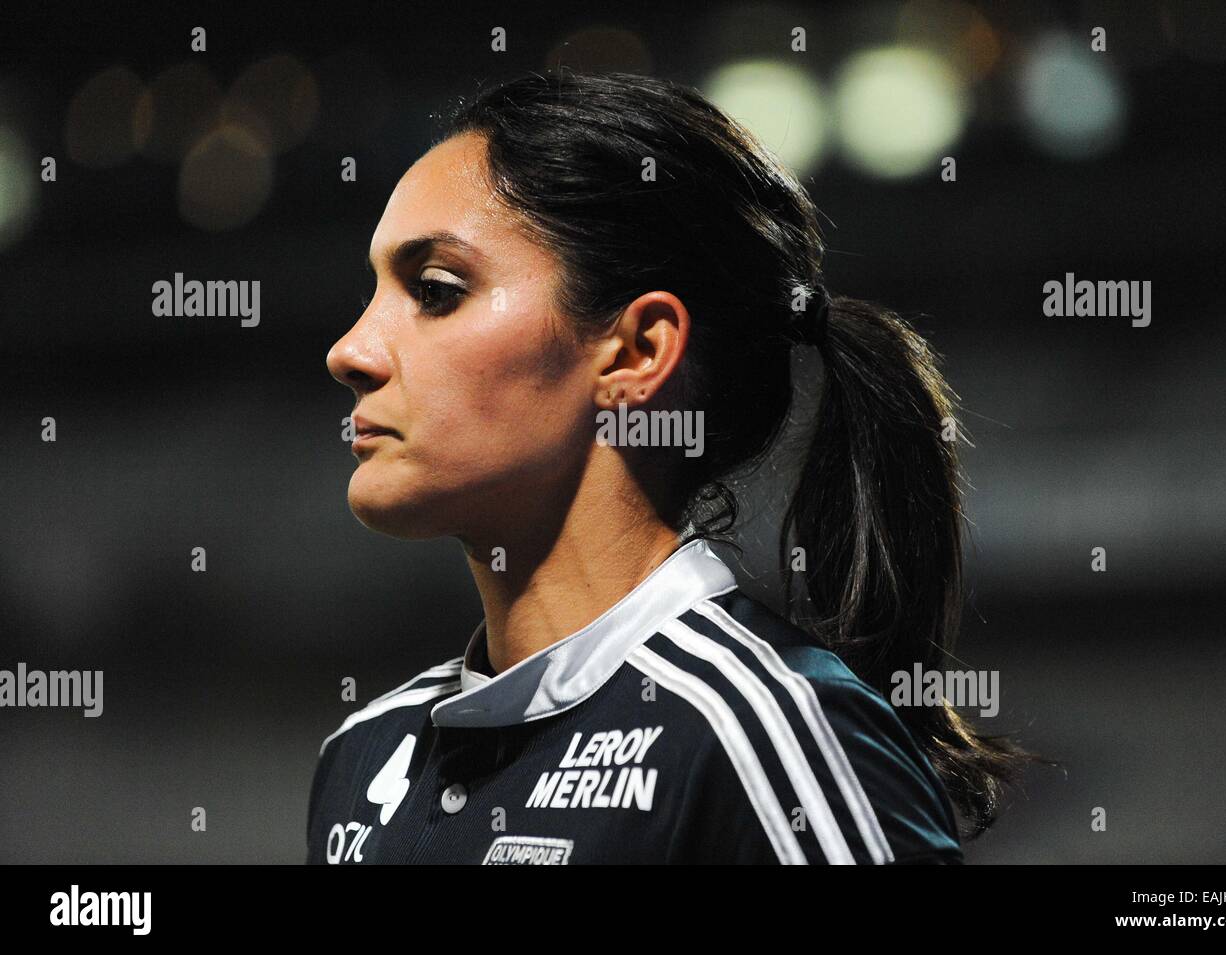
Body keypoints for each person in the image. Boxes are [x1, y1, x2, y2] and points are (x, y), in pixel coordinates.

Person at [310, 70, 1025, 864]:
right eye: (373, 292)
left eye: (436, 290)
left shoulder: (764, 728)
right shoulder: (360, 755)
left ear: (638, 351)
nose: (349, 352)